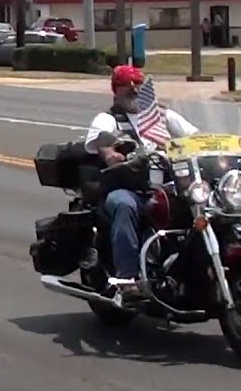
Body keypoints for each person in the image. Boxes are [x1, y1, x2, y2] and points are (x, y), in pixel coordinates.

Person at [83, 64, 198, 298]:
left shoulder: (162, 115)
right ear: (116, 90)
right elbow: (102, 143)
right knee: (124, 205)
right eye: (128, 85)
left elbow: (195, 138)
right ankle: (126, 279)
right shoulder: (108, 119)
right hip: (127, 187)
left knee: (204, 204)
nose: (135, 90)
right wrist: (111, 154)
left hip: (165, 186)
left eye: (138, 85)